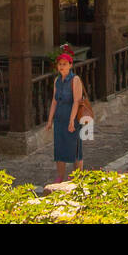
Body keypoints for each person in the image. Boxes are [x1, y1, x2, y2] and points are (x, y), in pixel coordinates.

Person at [46, 52, 85, 182]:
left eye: (64, 64)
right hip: (59, 118)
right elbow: (54, 101)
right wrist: (50, 120)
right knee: (59, 148)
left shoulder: (75, 80)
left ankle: (77, 176)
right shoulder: (57, 80)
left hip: (72, 117)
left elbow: (76, 101)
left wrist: (72, 121)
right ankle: (60, 176)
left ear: (70, 65)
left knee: (74, 148)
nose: (62, 66)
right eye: (60, 64)